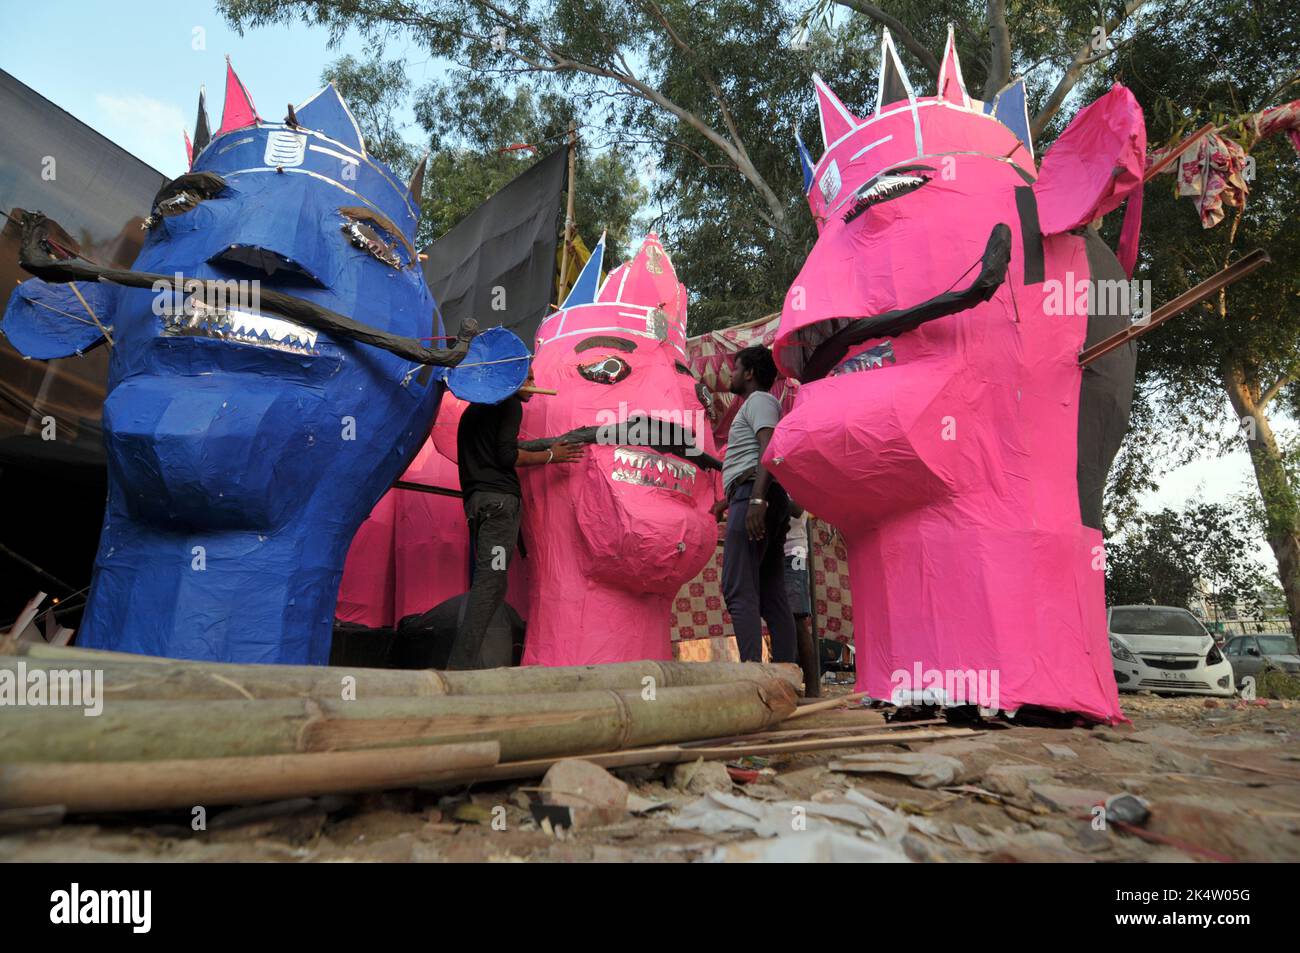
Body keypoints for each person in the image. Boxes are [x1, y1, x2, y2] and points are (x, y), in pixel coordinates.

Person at [447, 369, 581, 669]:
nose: (534, 385)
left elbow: (503, 448)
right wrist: (551, 457)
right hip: (500, 507)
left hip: (479, 504)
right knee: (490, 585)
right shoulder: (510, 405)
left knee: (492, 585)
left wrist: (549, 443)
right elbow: (508, 457)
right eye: (528, 378)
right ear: (510, 378)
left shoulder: (476, 411)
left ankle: (467, 664)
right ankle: (459, 668)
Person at [713, 345, 797, 665]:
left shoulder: (760, 401)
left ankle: (751, 674)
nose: (730, 375)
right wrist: (727, 501)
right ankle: (786, 674)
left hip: (754, 497)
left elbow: (770, 450)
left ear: (749, 373)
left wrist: (756, 500)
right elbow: (755, 458)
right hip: (753, 495)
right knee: (771, 594)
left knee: (738, 590)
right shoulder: (756, 405)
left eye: (735, 369)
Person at [784, 507, 821, 696]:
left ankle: (813, 689)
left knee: (796, 616)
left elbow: (797, 509)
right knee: (782, 619)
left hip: (794, 550)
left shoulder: (791, 477)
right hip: (775, 548)